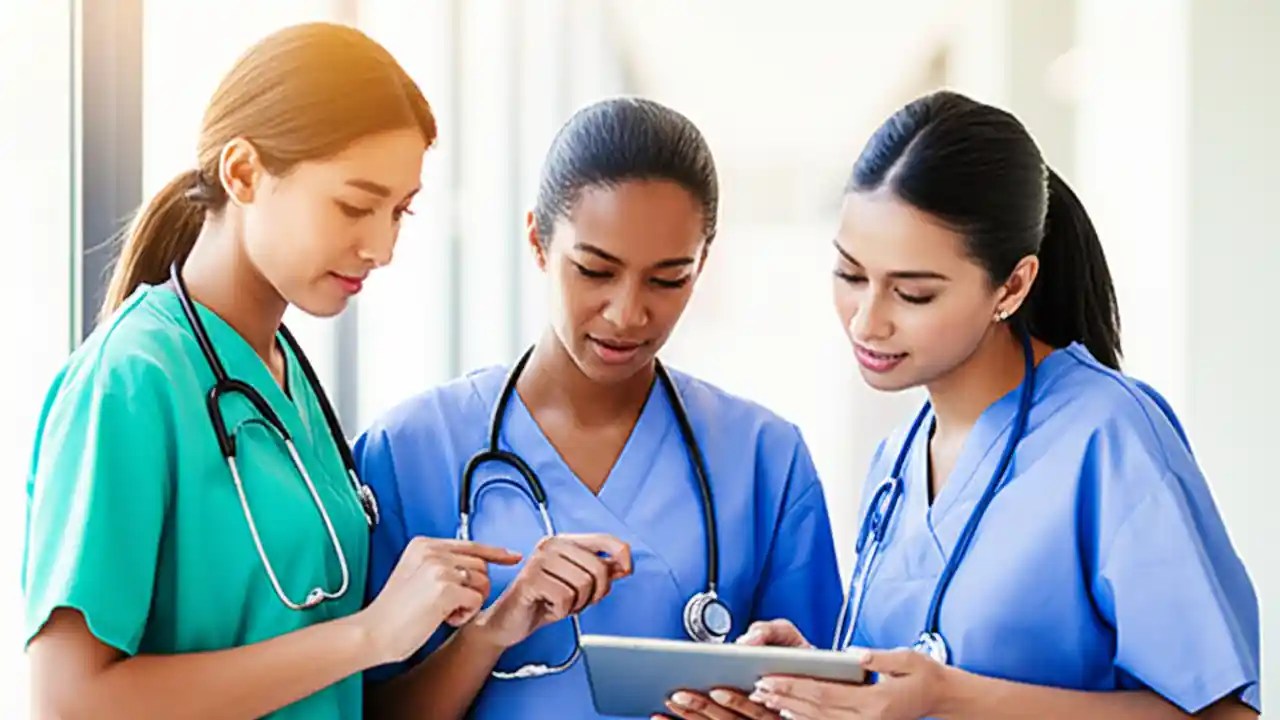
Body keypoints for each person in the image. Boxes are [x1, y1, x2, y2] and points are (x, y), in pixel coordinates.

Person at [669, 90, 1261, 720]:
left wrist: (954, 696)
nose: (868, 321)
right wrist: (819, 680)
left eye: (914, 293)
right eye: (850, 275)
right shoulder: (895, 461)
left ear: (1012, 285)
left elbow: (1225, 714)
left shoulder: (1109, 435)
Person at [22, 22, 517, 720]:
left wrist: (489, 631)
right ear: (244, 173)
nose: (381, 247)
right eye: (353, 205)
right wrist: (369, 634)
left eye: (399, 213)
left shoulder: (288, 381)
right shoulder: (132, 381)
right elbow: (68, 703)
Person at [353, 96, 843, 720]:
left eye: (668, 279)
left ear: (702, 265)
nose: (627, 314)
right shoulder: (411, 448)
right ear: (537, 241)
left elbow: (822, 695)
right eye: (594, 270)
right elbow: (362, 708)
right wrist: (492, 631)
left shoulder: (764, 458)